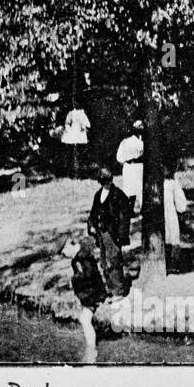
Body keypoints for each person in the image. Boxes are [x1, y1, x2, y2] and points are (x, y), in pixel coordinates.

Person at [88, 166, 132, 297]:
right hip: (101, 233)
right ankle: (109, 288)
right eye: (102, 182)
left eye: (107, 181)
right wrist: (91, 225)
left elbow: (125, 216)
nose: (105, 184)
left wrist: (122, 235)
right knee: (103, 262)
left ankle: (118, 290)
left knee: (114, 261)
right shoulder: (98, 195)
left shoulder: (118, 194)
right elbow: (93, 212)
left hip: (113, 233)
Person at [65, 237, 107, 363]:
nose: (64, 256)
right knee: (84, 319)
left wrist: (75, 279)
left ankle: (91, 350)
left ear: (69, 247)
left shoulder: (82, 258)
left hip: (93, 294)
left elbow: (89, 276)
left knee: (84, 319)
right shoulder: (79, 258)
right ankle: (91, 348)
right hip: (90, 294)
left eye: (64, 252)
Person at [115, 121, 144, 210]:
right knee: (129, 190)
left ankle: (143, 210)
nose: (139, 131)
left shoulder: (144, 142)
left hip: (139, 166)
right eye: (137, 129)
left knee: (140, 189)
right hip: (129, 167)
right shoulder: (126, 142)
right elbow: (119, 157)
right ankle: (128, 210)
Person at [162, 165, 188, 258]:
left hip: (169, 213)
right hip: (163, 213)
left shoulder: (172, 183)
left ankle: (171, 259)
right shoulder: (168, 183)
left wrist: (181, 209)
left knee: (170, 235)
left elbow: (180, 200)